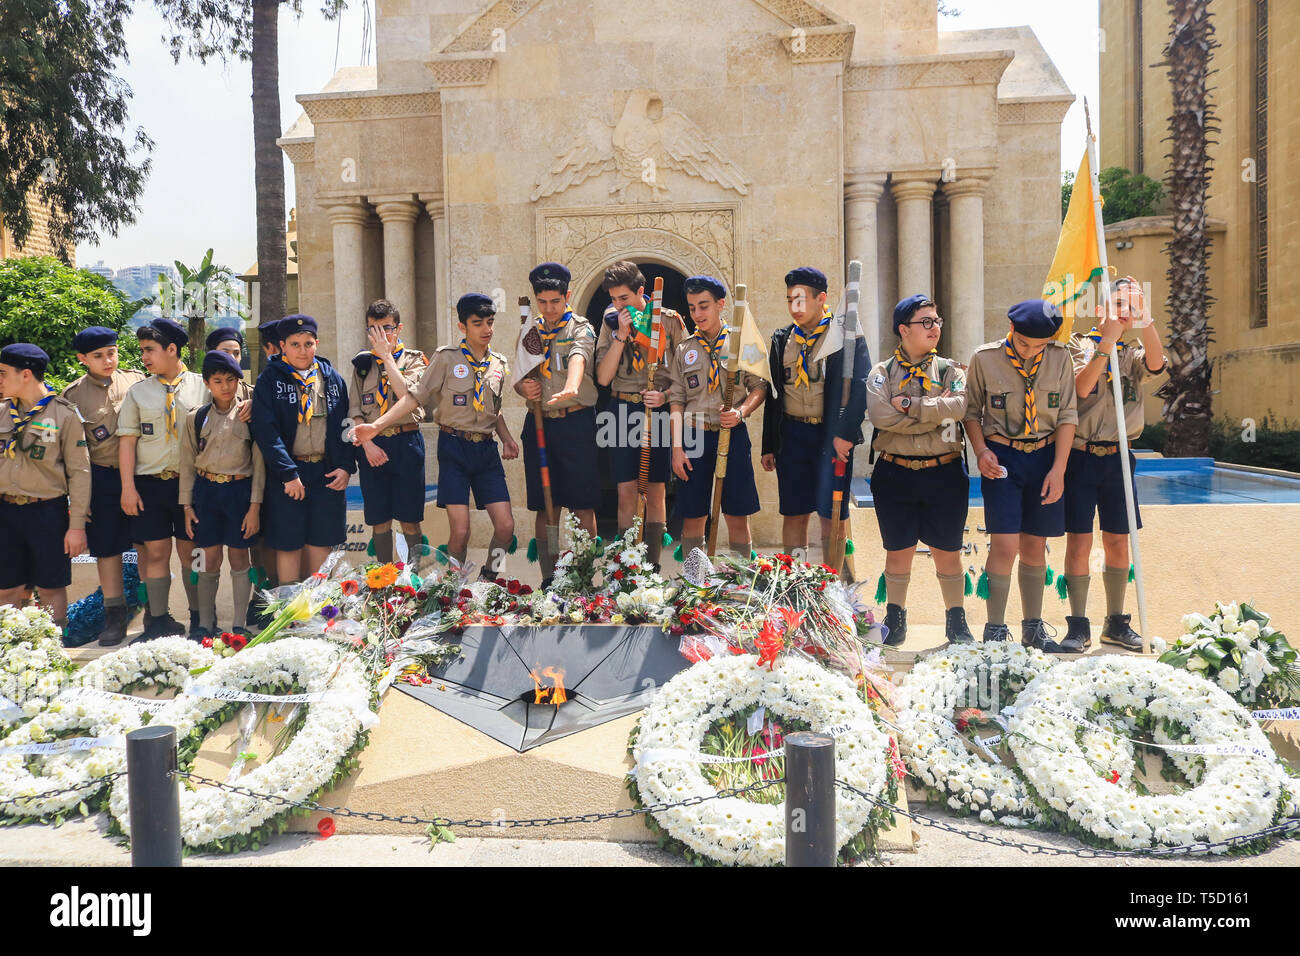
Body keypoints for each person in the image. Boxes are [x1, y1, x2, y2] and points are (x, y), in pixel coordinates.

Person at [356, 293, 518, 577]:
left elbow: (495, 410)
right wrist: (377, 427)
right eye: (478, 323)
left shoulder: (498, 363)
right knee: (461, 531)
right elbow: (412, 398)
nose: (486, 329)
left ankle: (489, 576)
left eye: (490, 322)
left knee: (506, 527)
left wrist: (506, 437)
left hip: (486, 451)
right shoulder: (446, 358)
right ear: (462, 327)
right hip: (454, 447)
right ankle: (455, 587)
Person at [963, 300, 1078, 651]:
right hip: (1003, 458)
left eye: (1039, 346)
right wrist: (981, 451)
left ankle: (1033, 628)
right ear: (1011, 330)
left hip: (1045, 457)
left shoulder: (1060, 358)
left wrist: (1059, 470)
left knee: (1035, 545)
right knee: (1005, 544)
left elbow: (1068, 415)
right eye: (1025, 343)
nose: (1031, 352)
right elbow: (971, 412)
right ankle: (995, 629)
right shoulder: (985, 358)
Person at [1060, 278, 1167, 652]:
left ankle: (1117, 622)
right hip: (1081, 456)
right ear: (1102, 306)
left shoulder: (1134, 350)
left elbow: (1156, 365)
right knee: (1079, 540)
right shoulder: (1081, 344)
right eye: (1118, 302)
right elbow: (1082, 387)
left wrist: (1147, 321)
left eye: (1131, 302)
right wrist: (1106, 340)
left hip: (1119, 457)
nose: (1124, 309)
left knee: (1119, 539)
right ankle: (1077, 624)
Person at [864, 295, 971, 646]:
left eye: (937, 321)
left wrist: (911, 406)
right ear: (903, 329)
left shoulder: (950, 370)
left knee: (948, 550)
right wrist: (932, 417)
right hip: (895, 474)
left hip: (944, 472)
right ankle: (895, 619)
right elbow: (881, 417)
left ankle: (956, 621)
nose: (935, 328)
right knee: (898, 550)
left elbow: (959, 406)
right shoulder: (882, 373)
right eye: (926, 322)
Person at [760, 266, 868, 568]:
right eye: (789, 300)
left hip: (831, 438)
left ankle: (835, 582)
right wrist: (769, 445)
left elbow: (860, 386)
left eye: (801, 299)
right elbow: (774, 394)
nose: (794, 307)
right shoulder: (782, 339)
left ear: (821, 299)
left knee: (831, 514)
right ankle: (796, 579)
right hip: (793, 437)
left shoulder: (844, 337)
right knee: (794, 513)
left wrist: (845, 434)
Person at [117, 318, 209, 641]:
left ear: (172, 350)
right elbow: (127, 441)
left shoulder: (202, 387)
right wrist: (128, 488)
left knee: (191, 551)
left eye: (150, 350)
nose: (144, 357)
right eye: (143, 351)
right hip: (150, 485)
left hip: (191, 484)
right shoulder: (138, 393)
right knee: (155, 552)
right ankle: (157, 621)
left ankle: (200, 618)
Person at [668, 275, 767, 560]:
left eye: (703, 306)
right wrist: (677, 448)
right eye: (692, 308)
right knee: (693, 516)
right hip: (694, 437)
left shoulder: (739, 342)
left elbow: (759, 386)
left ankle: (740, 584)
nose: (697, 314)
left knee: (737, 514)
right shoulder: (684, 349)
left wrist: (741, 412)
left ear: (721, 304)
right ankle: (695, 583)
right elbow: (676, 399)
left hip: (732, 435)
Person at [595, 260, 686, 567]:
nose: (619, 304)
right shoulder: (610, 322)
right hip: (621, 409)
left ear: (641, 292)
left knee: (656, 491)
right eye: (613, 299)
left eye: (624, 298)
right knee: (627, 492)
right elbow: (604, 378)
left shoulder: (669, 321)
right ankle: (626, 568)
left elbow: (686, 377)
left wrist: (665, 395)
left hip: (656, 409)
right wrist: (621, 334)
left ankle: (652, 568)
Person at [251, 314, 354, 585]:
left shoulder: (332, 379)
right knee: (289, 542)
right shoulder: (269, 380)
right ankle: (290, 610)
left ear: (317, 344)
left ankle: (318, 609)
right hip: (288, 474)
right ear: (282, 345)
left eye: (308, 343)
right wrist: (287, 474)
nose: (302, 350)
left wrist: (345, 467)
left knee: (321, 540)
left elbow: (346, 425)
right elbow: (266, 432)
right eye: (295, 344)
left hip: (326, 471)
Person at [514, 262, 600, 584]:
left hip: (575, 424)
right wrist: (525, 387)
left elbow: (579, 355)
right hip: (538, 424)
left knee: (582, 505)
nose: (549, 309)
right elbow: (519, 378)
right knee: (546, 507)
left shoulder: (580, 327)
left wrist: (572, 385)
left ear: (567, 297)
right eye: (543, 302)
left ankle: (584, 576)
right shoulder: (529, 330)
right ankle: (550, 578)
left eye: (555, 302)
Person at [62, 326, 146, 646]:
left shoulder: (136, 381)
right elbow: (72, 453)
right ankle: (114, 618)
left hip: (141, 475)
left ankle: (153, 612)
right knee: (107, 549)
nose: (108, 360)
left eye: (111, 353)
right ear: (83, 359)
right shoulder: (73, 396)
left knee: (147, 544)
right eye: (98, 356)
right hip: (101, 479)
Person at [0, 345, 90, 633]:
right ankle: (8, 652)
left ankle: (53, 649)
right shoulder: (2, 411)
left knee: (51, 587)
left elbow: (80, 472)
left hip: (47, 511)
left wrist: (76, 526)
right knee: (6, 589)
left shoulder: (64, 414)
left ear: (25, 374)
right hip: (5, 511)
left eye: (3, 374)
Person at [180, 350, 265, 639]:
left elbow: (259, 464)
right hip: (206, 493)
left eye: (231, 380)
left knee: (241, 557)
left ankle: (239, 625)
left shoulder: (250, 415)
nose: (225, 386)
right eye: (218, 380)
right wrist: (187, 506)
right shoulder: (196, 417)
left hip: (239, 491)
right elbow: (187, 463)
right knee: (207, 557)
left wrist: (254, 507)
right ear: (207, 383)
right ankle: (204, 624)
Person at [347, 300, 430, 567]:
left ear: (398, 328)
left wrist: (386, 357)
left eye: (386, 328)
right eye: (373, 329)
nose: (380, 335)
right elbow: (355, 410)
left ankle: (414, 579)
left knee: (409, 518)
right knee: (379, 518)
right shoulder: (362, 365)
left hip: (406, 442)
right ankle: (383, 579)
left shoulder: (415, 359)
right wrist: (367, 444)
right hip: (373, 447)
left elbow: (407, 394)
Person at [206, 327, 253, 401]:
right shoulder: (199, 394)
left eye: (236, 353)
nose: (232, 359)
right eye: (225, 353)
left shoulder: (253, 394)